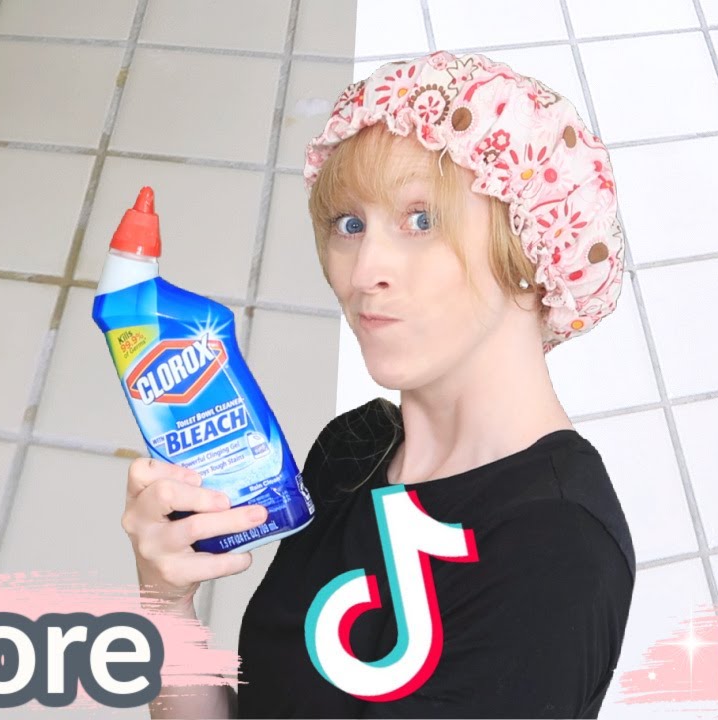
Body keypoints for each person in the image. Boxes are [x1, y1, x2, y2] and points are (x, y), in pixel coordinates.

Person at [120, 50, 635, 719]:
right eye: (350, 224)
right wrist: (166, 603)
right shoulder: (353, 448)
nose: (364, 272)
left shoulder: (555, 553)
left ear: (532, 243)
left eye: (421, 219)